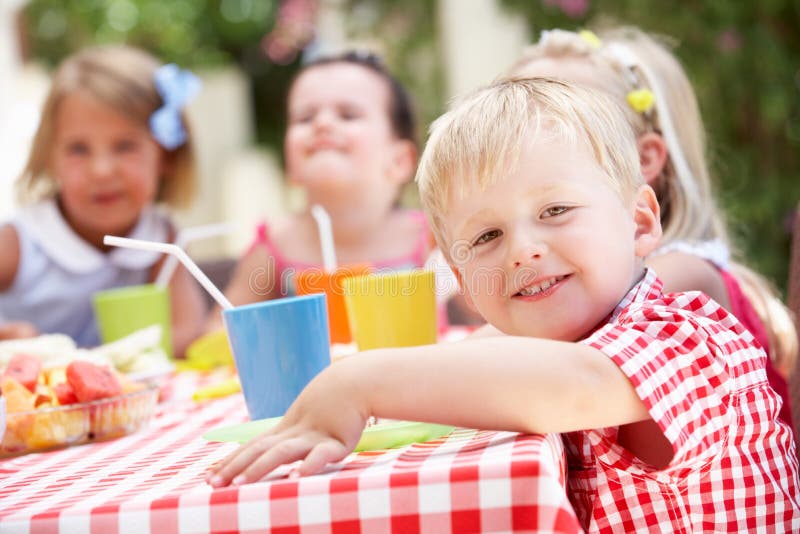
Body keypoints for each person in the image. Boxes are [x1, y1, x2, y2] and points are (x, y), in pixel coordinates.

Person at [207, 78, 800, 530]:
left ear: (640, 221)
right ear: (460, 279)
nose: (523, 250)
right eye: (487, 237)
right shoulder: (549, 343)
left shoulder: (687, 335)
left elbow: (578, 384)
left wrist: (358, 382)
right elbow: (491, 362)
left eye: (555, 211)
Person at [501, 26, 798, 427]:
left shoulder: (680, 278)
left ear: (644, 161)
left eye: (557, 132)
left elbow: (550, 371)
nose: (521, 155)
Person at [0, 45, 206, 357]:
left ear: (167, 155)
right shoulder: (19, 244)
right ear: (49, 157)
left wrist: (112, 360)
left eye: (124, 146)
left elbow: (186, 334)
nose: (102, 170)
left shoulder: (163, 242)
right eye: (79, 149)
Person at [214, 51, 429, 317]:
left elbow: (493, 323)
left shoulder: (431, 240)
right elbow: (221, 331)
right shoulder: (275, 245)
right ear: (290, 165)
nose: (322, 123)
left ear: (399, 161)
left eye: (348, 114)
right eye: (304, 118)